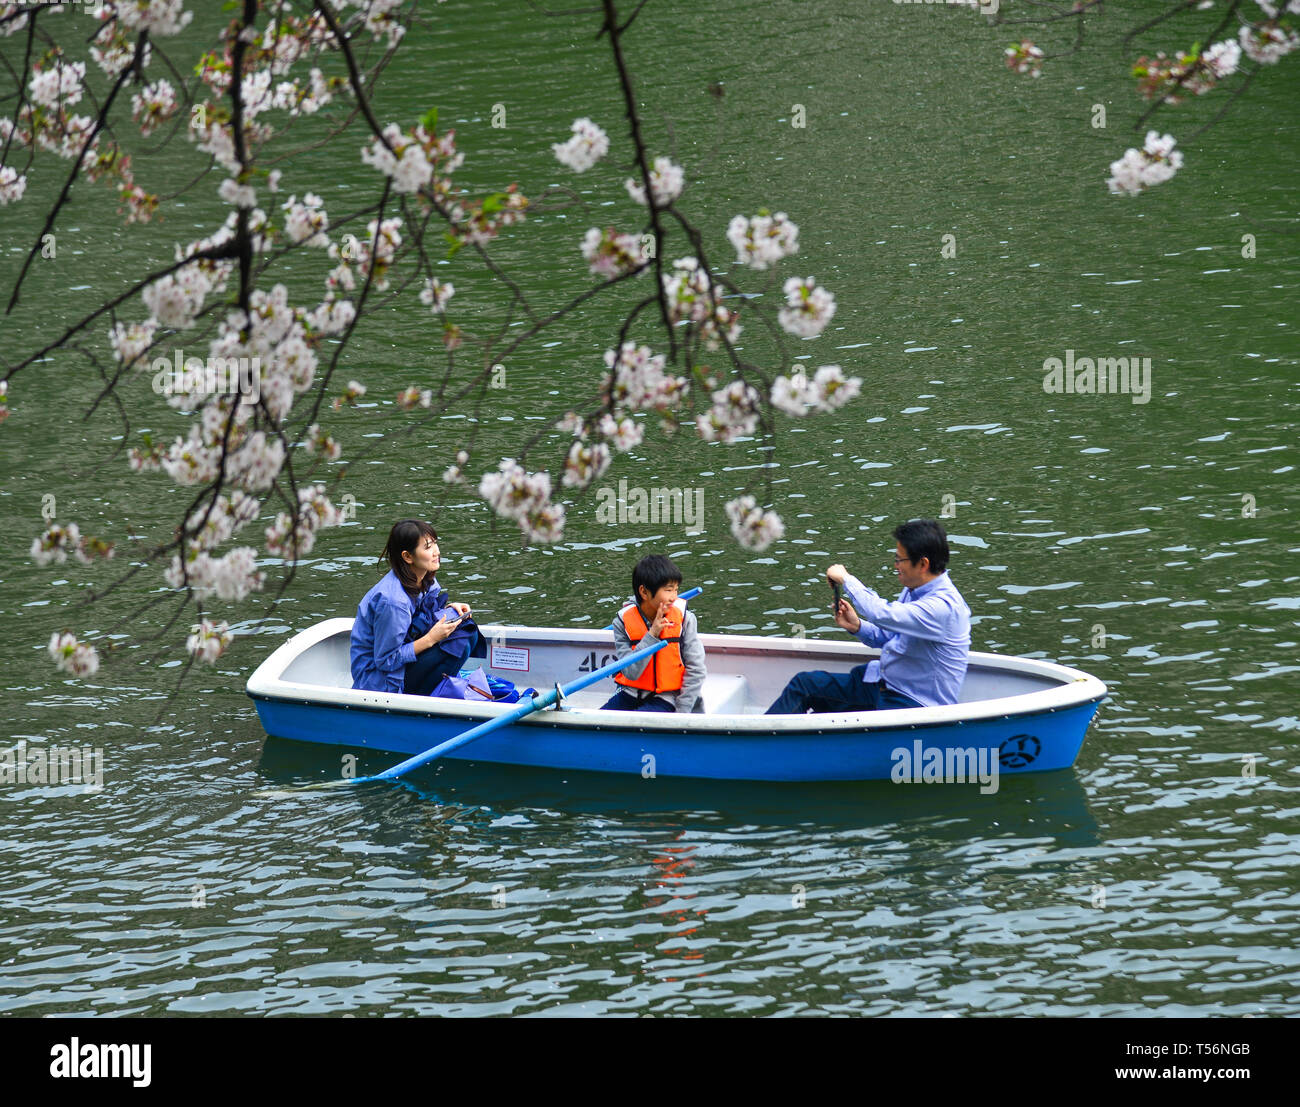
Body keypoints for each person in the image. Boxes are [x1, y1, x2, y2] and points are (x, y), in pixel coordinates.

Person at [766, 518, 970, 714]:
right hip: (884, 684)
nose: (895, 566)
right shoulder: (914, 588)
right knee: (805, 685)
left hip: (913, 705)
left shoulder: (944, 608)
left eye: (900, 560)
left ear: (923, 564)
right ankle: (765, 739)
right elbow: (890, 636)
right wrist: (857, 626)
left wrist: (846, 579)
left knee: (845, 733)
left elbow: (882, 614)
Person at [350, 519, 483, 695]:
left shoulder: (424, 578)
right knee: (459, 645)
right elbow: (386, 660)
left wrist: (452, 608)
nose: (436, 551)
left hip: (401, 659)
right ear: (407, 556)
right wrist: (431, 638)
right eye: (428, 547)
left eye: (435, 543)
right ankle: (421, 699)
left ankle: (437, 687)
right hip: (380, 680)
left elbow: (421, 616)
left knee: (469, 632)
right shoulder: (393, 602)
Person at [601, 554, 706, 713]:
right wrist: (653, 634)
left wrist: (682, 713)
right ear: (644, 592)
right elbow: (631, 673)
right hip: (631, 693)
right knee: (598, 722)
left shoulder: (686, 619)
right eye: (668, 590)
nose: (674, 597)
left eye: (676, 590)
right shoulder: (622, 622)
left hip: (669, 698)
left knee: (634, 725)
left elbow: (696, 670)